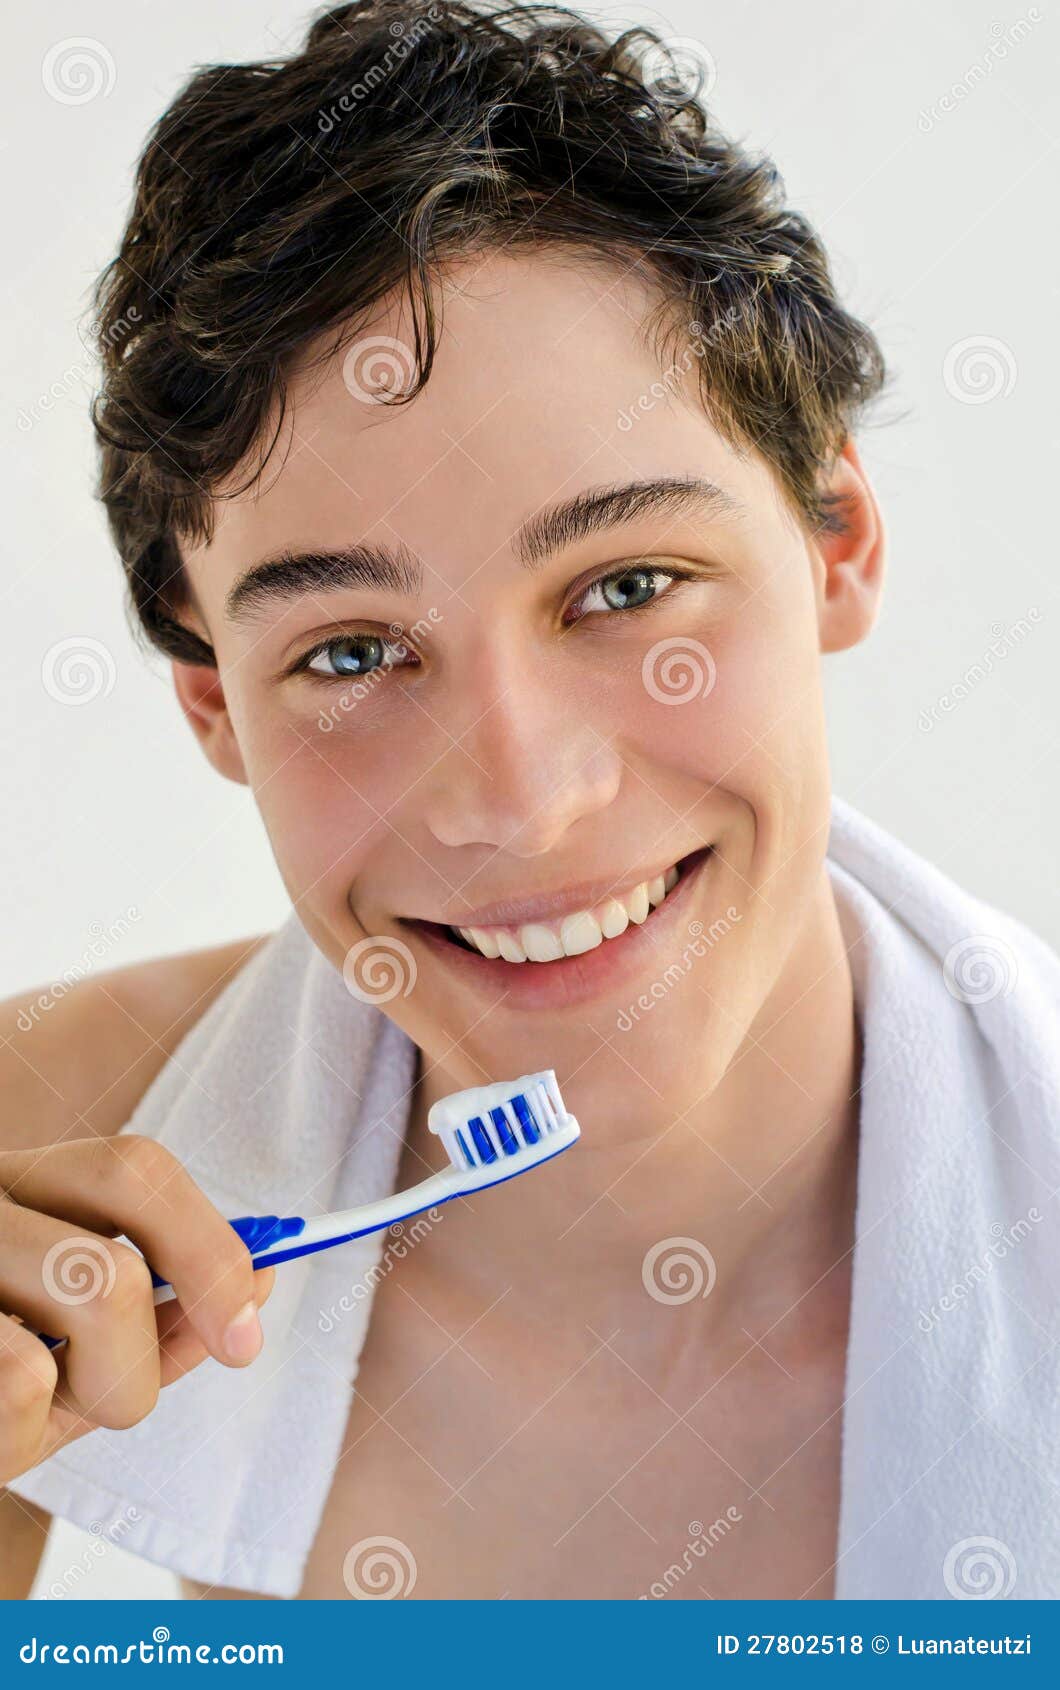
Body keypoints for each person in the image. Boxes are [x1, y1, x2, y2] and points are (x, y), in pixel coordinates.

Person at [2, 1, 1056, 1602]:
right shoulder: (39, 1149)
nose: (522, 803)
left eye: (629, 583)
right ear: (213, 699)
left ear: (837, 537)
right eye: (353, 651)